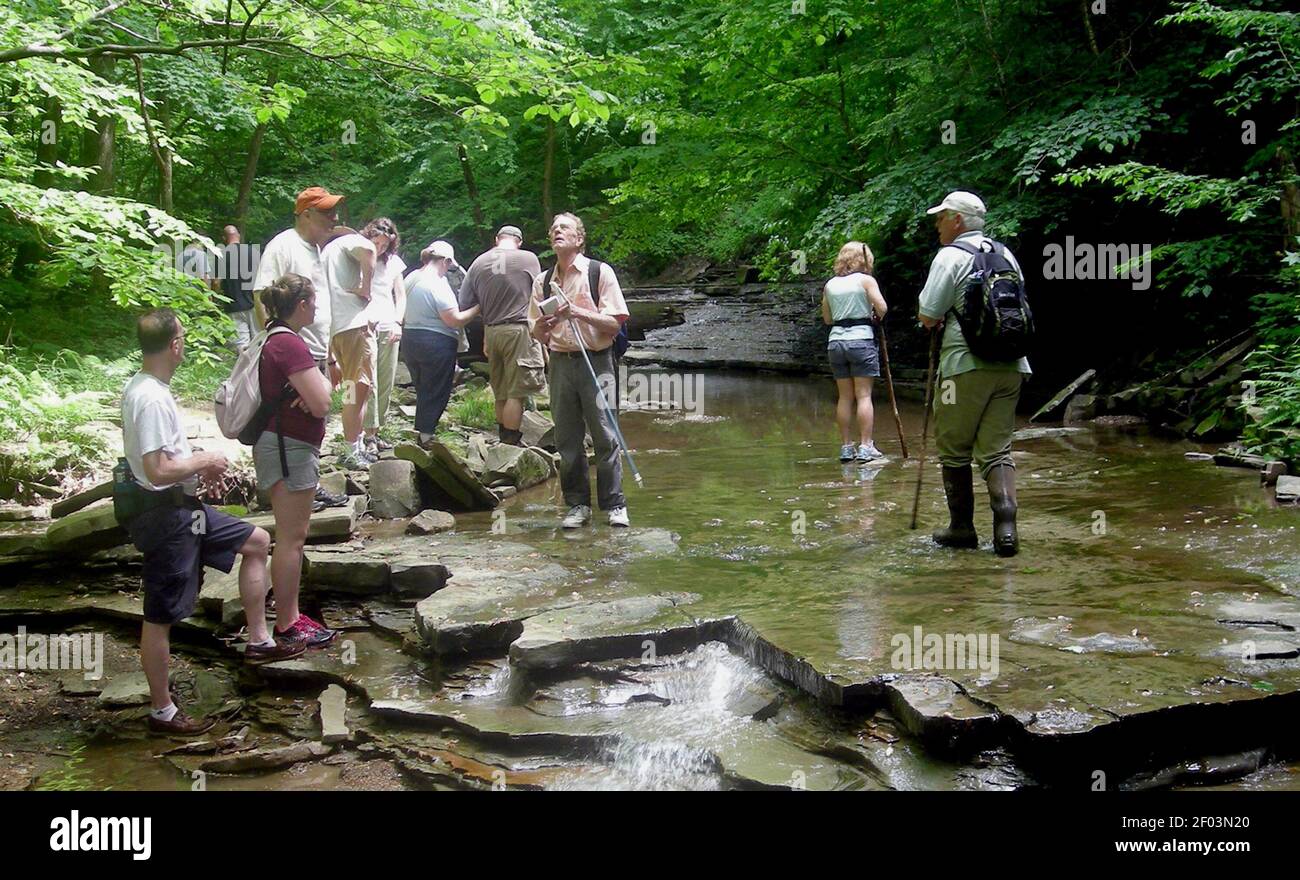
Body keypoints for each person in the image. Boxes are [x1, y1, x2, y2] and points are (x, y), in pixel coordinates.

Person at [120, 309, 300, 736]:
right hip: (163, 516)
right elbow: (157, 469)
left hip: (183, 509)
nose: (184, 342)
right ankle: (162, 712)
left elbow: (162, 462)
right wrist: (205, 460)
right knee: (159, 615)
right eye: (182, 336)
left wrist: (198, 470)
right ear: (174, 345)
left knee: (256, 541)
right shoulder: (149, 397)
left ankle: (259, 642)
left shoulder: (148, 387)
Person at [917, 191, 1032, 557]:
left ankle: (962, 529)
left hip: (962, 369)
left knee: (954, 450)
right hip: (1012, 366)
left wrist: (932, 320)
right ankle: (1006, 531)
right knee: (998, 451)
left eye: (941, 217)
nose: (937, 224)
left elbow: (929, 313)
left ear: (957, 221)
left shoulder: (950, 256)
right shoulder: (1006, 253)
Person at [253, 274, 340, 648]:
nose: (317, 307)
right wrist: (320, 391)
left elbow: (321, 394)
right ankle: (287, 622)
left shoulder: (274, 337)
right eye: (314, 301)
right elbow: (322, 403)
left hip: (282, 444)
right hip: (289, 448)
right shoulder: (289, 344)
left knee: (290, 537)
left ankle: (290, 615)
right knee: (292, 538)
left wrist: (319, 390)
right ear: (301, 305)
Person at [528, 212, 630, 529]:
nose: (557, 231)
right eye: (554, 228)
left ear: (579, 238)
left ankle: (614, 505)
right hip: (559, 363)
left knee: (605, 433)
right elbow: (536, 333)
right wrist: (543, 326)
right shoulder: (542, 282)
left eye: (565, 228)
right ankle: (577, 506)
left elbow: (615, 322)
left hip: (597, 360)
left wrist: (577, 313)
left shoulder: (599, 272)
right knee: (567, 439)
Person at [251, 186, 348, 509]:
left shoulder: (317, 250)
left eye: (334, 212)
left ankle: (308, 484)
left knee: (313, 422)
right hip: (292, 357)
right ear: (305, 214)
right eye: (326, 213)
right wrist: (275, 342)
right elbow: (261, 295)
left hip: (316, 351)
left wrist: (331, 356)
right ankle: (284, 494)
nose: (334, 219)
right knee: (292, 421)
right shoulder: (284, 246)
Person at [458, 224, 545, 445]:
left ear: (497, 239)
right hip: (518, 330)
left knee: (501, 391)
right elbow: (541, 294)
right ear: (519, 241)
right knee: (517, 393)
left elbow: (465, 302)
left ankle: (502, 441)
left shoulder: (478, 263)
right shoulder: (528, 259)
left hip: (493, 332)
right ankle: (510, 445)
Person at [402, 241, 479, 444]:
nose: (448, 270)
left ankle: (420, 430)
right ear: (444, 261)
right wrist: (479, 308)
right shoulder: (436, 283)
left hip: (410, 339)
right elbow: (454, 319)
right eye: (448, 266)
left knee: (423, 388)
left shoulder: (411, 277)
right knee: (436, 389)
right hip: (436, 342)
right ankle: (426, 436)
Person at [822, 241, 888, 463]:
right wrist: (872, 314)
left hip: (836, 343)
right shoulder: (866, 280)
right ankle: (866, 446)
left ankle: (846, 447)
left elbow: (828, 318)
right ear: (864, 260)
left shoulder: (830, 285)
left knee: (844, 396)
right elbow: (882, 308)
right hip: (861, 340)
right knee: (864, 395)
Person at [321, 226, 378, 470]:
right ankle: (352, 449)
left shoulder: (325, 253)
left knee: (352, 389)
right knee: (359, 388)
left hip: (338, 328)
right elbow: (369, 250)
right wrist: (366, 288)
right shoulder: (349, 242)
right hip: (355, 327)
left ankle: (354, 445)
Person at [359, 218, 406, 458]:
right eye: (376, 242)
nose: (380, 248)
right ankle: (366, 434)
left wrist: (399, 321)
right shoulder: (357, 258)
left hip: (388, 324)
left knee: (386, 382)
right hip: (364, 326)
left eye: (385, 244)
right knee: (369, 381)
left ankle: (376, 431)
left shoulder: (394, 263)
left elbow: (400, 295)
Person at [217, 225, 258, 350]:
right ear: (238, 235)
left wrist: (215, 300)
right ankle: (260, 368)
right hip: (255, 304)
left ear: (224, 238)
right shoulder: (253, 252)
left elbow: (216, 282)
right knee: (259, 342)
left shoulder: (221, 255)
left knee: (242, 347)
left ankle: (244, 369)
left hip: (233, 306)